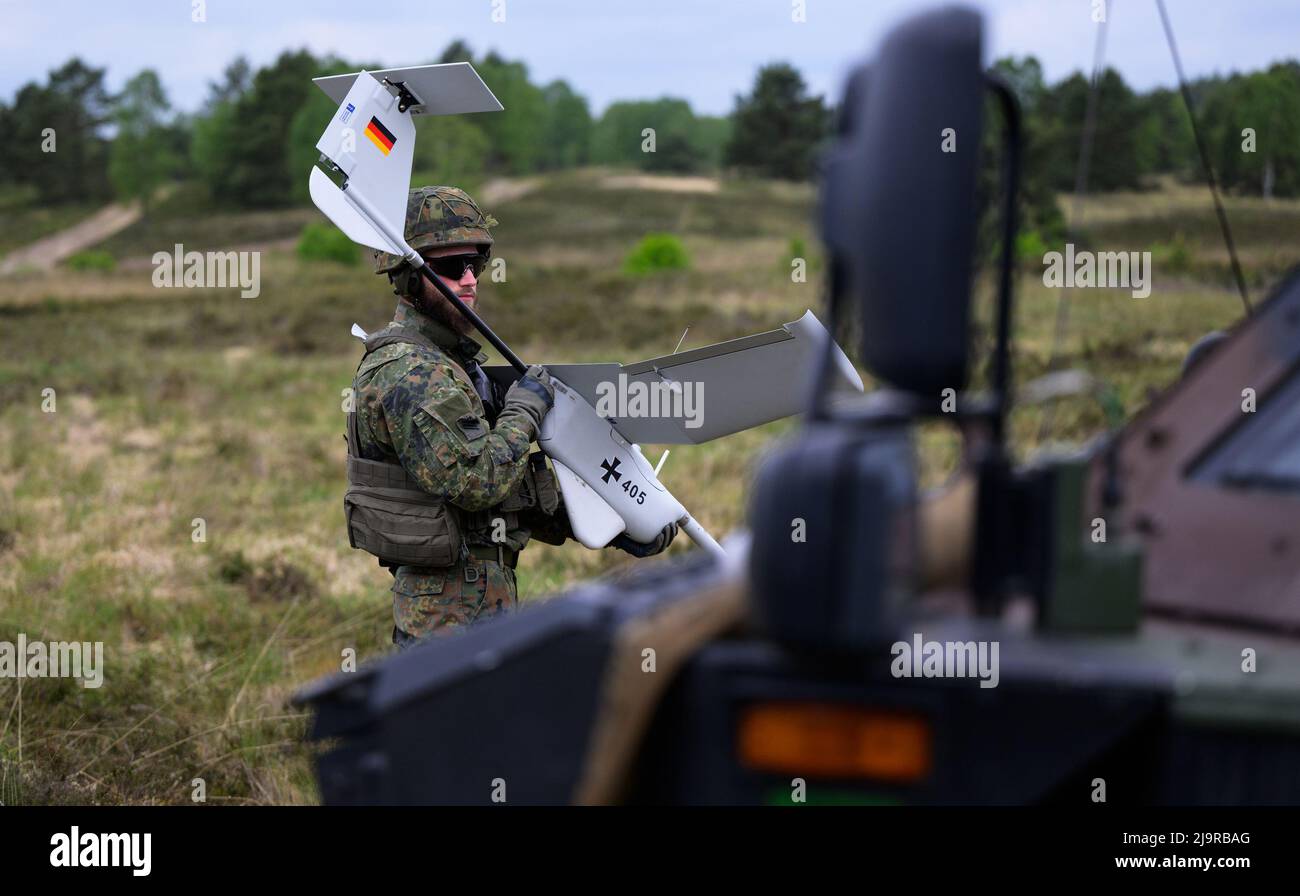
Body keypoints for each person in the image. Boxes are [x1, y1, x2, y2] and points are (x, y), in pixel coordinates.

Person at [348, 186, 676, 648]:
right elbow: (478, 481)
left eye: (475, 264)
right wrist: (525, 409)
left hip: (482, 604)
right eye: (447, 266)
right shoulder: (412, 372)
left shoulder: (453, 365)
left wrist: (618, 520)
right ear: (406, 276)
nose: (468, 279)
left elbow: (506, 496)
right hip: (445, 620)